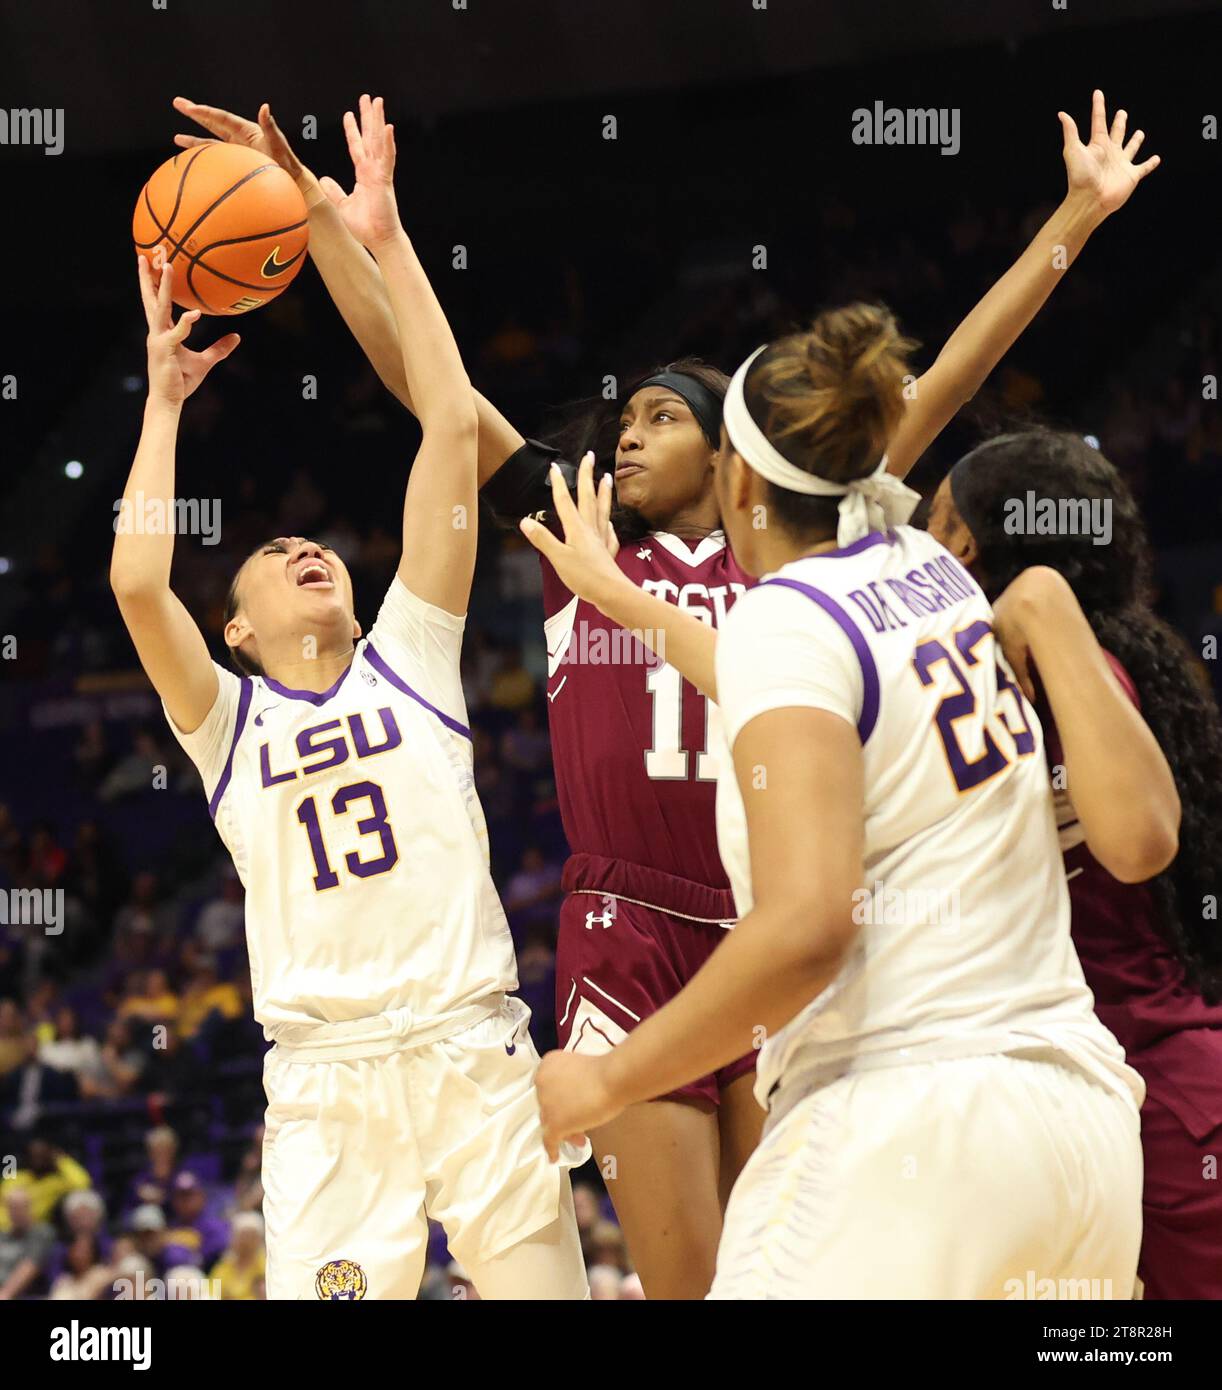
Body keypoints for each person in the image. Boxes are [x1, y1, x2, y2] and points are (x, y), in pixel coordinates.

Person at [174, 85, 1156, 1298]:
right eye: (622, 417)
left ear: (737, 458)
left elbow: (944, 376)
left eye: (660, 417)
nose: (626, 438)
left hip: (767, 925)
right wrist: (332, 221)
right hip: (625, 926)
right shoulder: (577, 523)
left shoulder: (816, 540)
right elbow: (432, 392)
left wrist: (1074, 217)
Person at [522, 308, 1149, 1298]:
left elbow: (810, 924)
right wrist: (624, 600)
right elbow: (764, 669)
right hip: (1084, 1126)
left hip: (907, 1118)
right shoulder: (929, 569)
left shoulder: (787, 616)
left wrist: (603, 1077)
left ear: (739, 478)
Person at [112, 95, 587, 1301]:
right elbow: (134, 577)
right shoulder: (225, 723)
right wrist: (164, 400)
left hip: (474, 1048)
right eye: (270, 557)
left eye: (315, 547)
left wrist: (369, 232)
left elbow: (446, 420)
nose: (302, 551)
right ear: (236, 629)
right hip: (327, 1082)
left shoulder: (412, 655)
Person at [925, 428, 1222, 1298]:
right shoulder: (1039, 667)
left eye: (936, 526)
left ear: (970, 545)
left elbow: (1136, 846)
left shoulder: (1075, 671)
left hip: (1153, 1097)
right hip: (1077, 1101)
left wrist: (1037, 604)